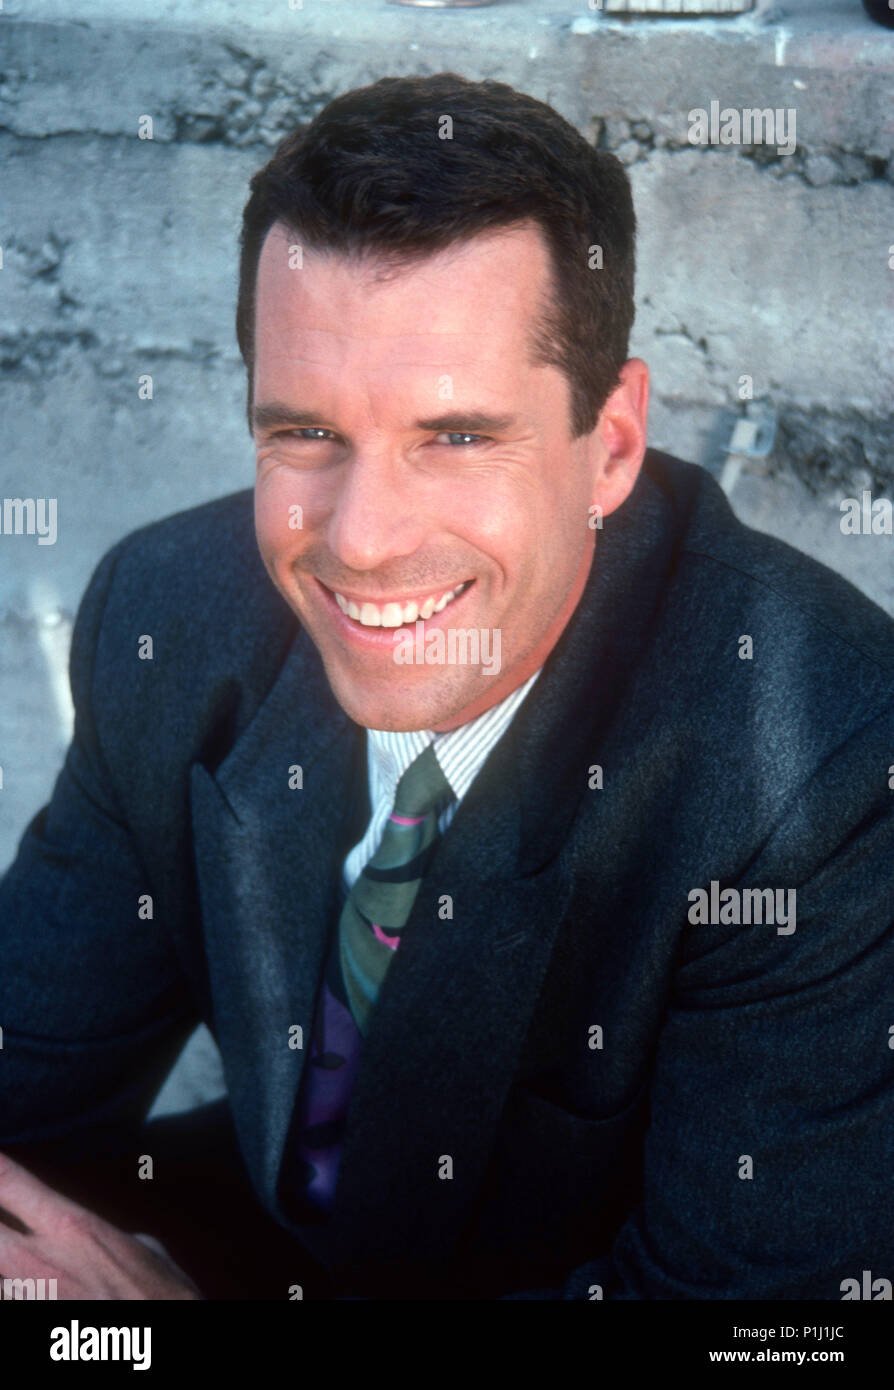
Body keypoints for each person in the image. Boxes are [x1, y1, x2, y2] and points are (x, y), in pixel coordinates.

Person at [1, 73, 892, 1302]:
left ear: (612, 446)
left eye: (457, 437)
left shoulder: (811, 754)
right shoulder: (165, 615)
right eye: (306, 433)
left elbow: (748, 1326)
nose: (360, 540)